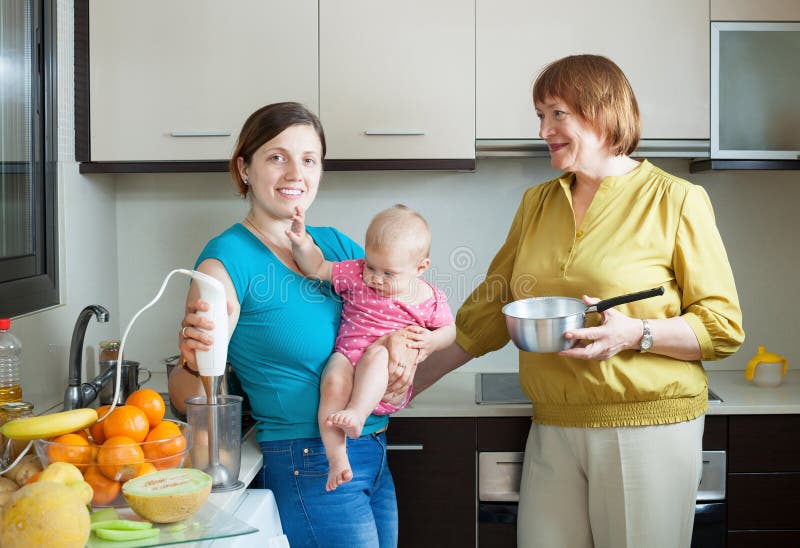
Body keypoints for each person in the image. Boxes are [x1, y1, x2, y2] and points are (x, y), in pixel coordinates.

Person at [411, 55, 744, 548]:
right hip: (555, 422)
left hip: (648, 426)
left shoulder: (676, 199)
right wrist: (399, 389)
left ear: (602, 111)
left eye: (556, 113)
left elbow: (722, 327)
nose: (544, 129)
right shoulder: (537, 202)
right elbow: (491, 309)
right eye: (539, 116)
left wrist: (634, 333)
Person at [171, 102, 417, 547]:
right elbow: (195, 387)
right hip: (307, 459)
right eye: (276, 157)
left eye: (309, 160)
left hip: (373, 449)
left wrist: (403, 350)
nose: (294, 174)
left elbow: (394, 319)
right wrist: (192, 364)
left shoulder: (336, 246)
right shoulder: (225, 263)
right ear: (244, 168)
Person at [287, 204, 455, 491]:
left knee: (377, 354)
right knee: (331, 382)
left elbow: (449, 331)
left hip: (383, 375)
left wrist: (432, 341)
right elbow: (317, 267)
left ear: (420, 268)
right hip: (347, 354)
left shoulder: (429, 297)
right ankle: (337, 458)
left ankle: (357, 413)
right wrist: (302, 242)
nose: (376, 278)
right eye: (371, 266)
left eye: (389, 274)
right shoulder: (354, 273)